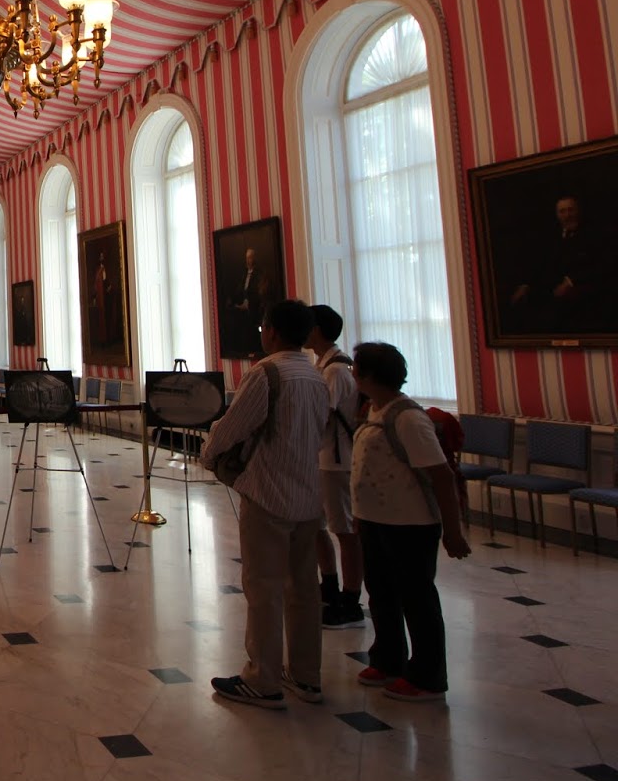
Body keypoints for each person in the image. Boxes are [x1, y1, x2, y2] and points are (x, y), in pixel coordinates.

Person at [201, 299, 329, 708]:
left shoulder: (267, 373)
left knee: (264, 588)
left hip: (269, 493)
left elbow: (233, 426)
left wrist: (208, 454)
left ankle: (262, 677)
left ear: (271, 330)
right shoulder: (315, 375)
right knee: (305, 589)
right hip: (309, 495)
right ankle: (307, 675)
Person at [349, 341, 470, 702]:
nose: (353, 374)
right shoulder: (375, 410)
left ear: (370, 375)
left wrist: (453, 531)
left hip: (411, 524)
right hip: (377, 520)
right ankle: (388, 659)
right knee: (382, 594)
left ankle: (427, 676)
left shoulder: (408, 418)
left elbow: (441, 476)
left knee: (417, 600)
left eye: (357, 368)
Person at [308, 304, 364, 629]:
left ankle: (351, 597)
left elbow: (321, 415)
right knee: (316, 526)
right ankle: (328, 584)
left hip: (336, 460)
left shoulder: (336, 371)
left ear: (317, 330)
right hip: (321, 457)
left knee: (344, 531)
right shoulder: (322, 365)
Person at [508, 195, 612, 334]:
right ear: (557, 215)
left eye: (571, 210)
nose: (567, 215)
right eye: (562, 211)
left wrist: (570, 282)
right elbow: (542, 266)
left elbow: (603, 265)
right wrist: (526, 285)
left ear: (578, 211)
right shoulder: (551, 237)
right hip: (552, 293)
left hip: (587, 294)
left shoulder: (595, 234)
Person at [225, 247, 271, 356]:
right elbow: (239, 291)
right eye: (247, 258)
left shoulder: (260, 274)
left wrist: (249, 304)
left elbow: (259, 293)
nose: (248, 260)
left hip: (254, 309)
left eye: (250, 258)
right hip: (243, 307)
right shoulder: (243, 274)